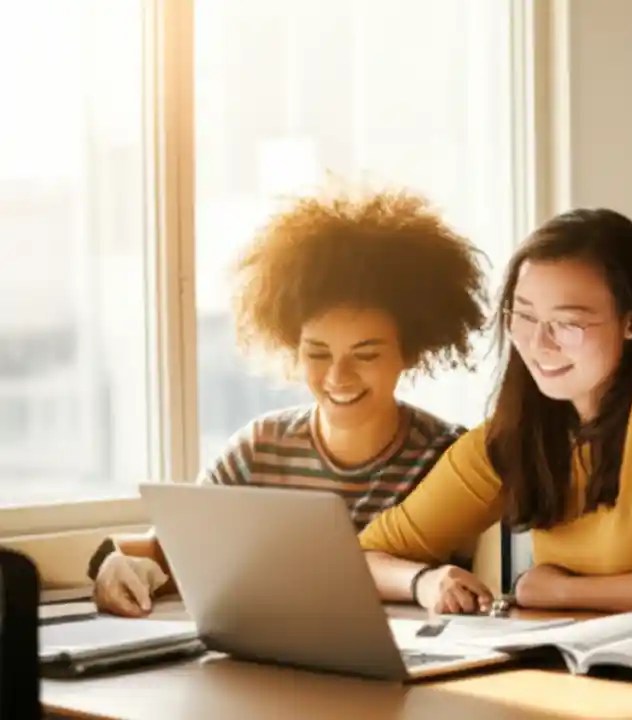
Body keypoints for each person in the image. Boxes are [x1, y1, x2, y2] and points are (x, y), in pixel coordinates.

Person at [88, 190, 486, 617]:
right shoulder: (260, 448)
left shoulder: (447, 458)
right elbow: (167, 546)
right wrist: (113, 565)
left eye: (366, 355)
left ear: (409, 351)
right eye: (317, 354)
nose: (338, 377)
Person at [358, 208, 632, 618]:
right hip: (563, 668)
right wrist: (424, 581)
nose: (538, 344)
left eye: (568, 323)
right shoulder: (519, 432)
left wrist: (559, 592)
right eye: (525, 316)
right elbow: (362, 558)